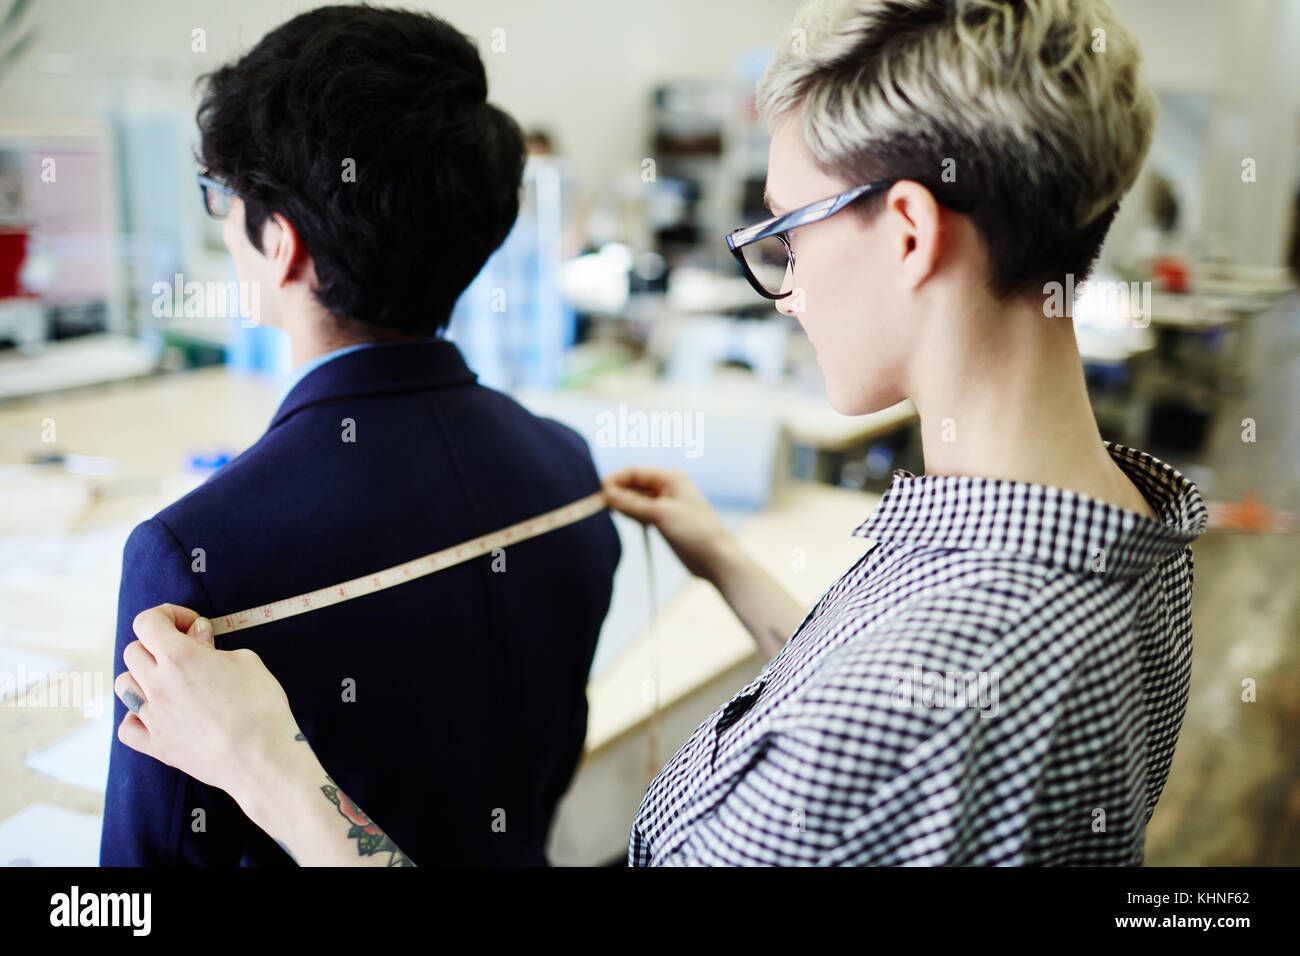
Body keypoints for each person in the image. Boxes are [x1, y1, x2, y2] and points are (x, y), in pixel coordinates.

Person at [115, 0, 1206, 866]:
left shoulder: (921, 700)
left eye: (783, 234)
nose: (780, 287)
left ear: (909, 231)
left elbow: (883, 730)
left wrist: (274, 772)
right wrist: (727, 559)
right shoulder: (1122, 528)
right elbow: (864, 712)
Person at [100, 6, 620, 867]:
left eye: (223, 199)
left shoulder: (192, 554)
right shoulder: (566, 465)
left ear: (283, 245)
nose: (222, 222)